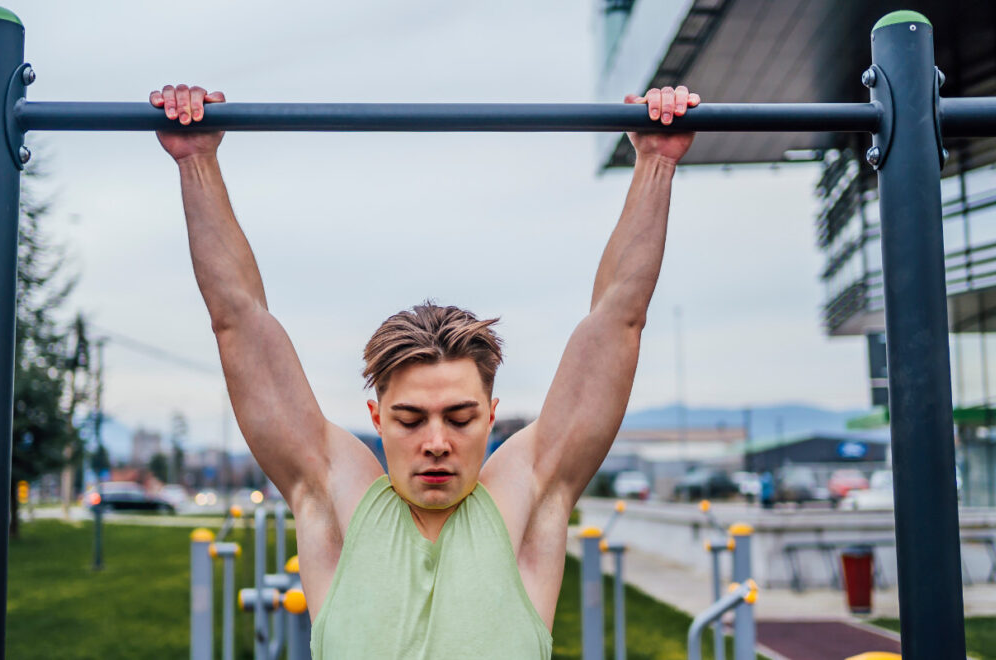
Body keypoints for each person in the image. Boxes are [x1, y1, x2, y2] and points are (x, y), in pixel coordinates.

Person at [152, 83, 700, 658]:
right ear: (377, 418)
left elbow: (618, 321)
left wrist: (655, 164)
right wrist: (198, 164)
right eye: (411, 419)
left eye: (459, 418)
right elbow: (238, 319)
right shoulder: (338, 502)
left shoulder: (524, 500)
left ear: (491, 416)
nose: (436, 442)